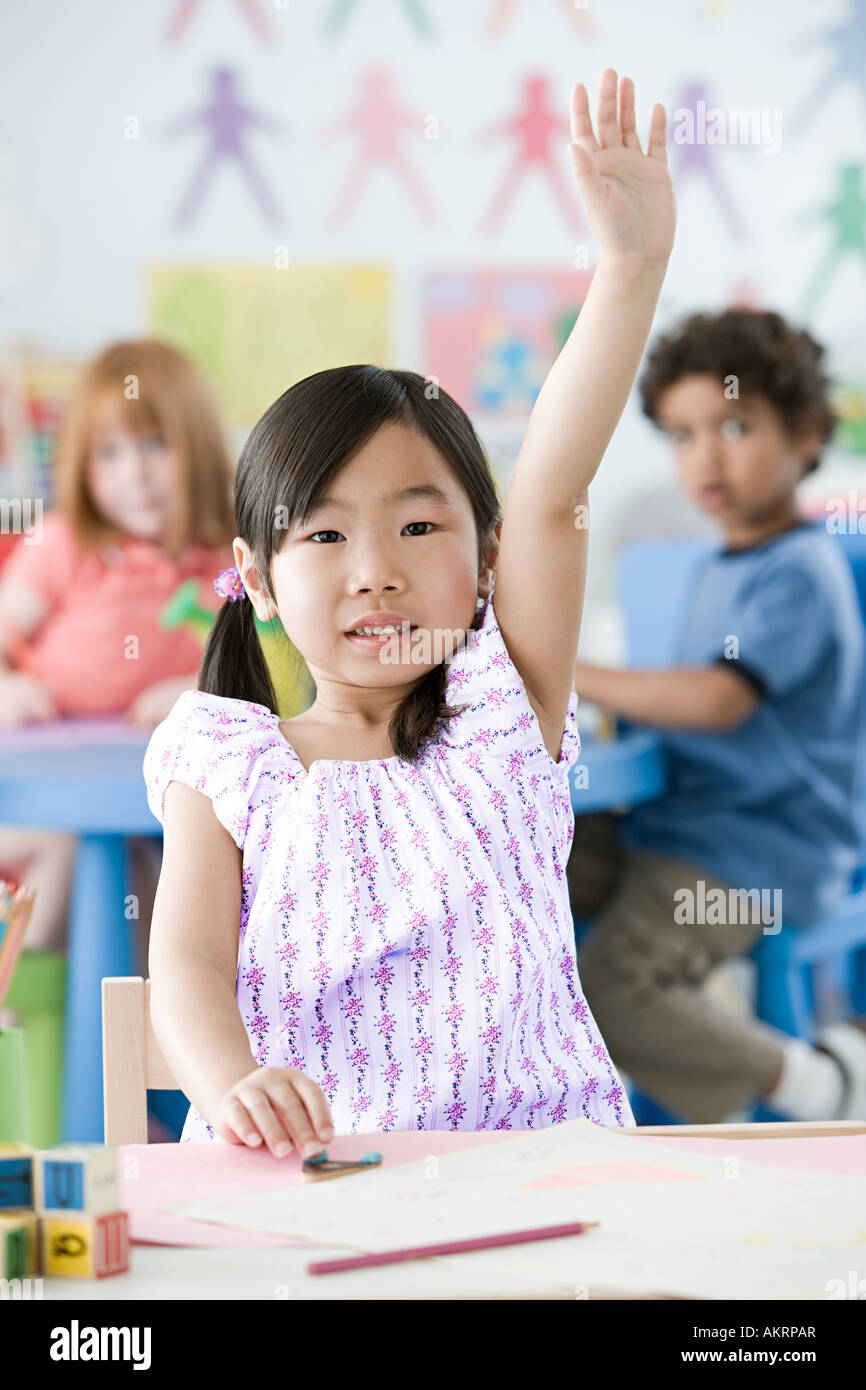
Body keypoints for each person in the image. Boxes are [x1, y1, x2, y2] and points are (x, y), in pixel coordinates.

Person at [142, 68, 676, 1152]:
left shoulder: (500, 711)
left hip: (544, 1182)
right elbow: (186, 968)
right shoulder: (226, 754)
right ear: (255, 576)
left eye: (418, 528)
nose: (372, 571)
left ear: (486, 561)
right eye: (325, 535)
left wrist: (629, 267)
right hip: (315, 1190)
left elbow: (551, 492)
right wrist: (230, 1083)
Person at [568, 308, 866, 1124]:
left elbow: (715, 699)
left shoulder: (800, 572)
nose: (707, 454)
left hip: (765, 856)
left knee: (612, 979)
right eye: (683, 433)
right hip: (682, 825)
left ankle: (810, 1081)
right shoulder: (713, 567)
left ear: (806, 434)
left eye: (734, 425)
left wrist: (571, 673)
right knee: (530, 863)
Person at [0, 339, 236, 956]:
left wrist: (195, 690)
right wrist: (7, 686)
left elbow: (270, 668)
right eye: (109, 453)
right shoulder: (64, 544)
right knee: (76, 852)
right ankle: (26, 1002)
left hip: (153, 795)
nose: (135, 473)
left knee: (178, 869)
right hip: (37, 795)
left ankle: (148, 1029)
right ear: (81, 466)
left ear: (199, 448)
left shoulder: (225, 557)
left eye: (156, 444)